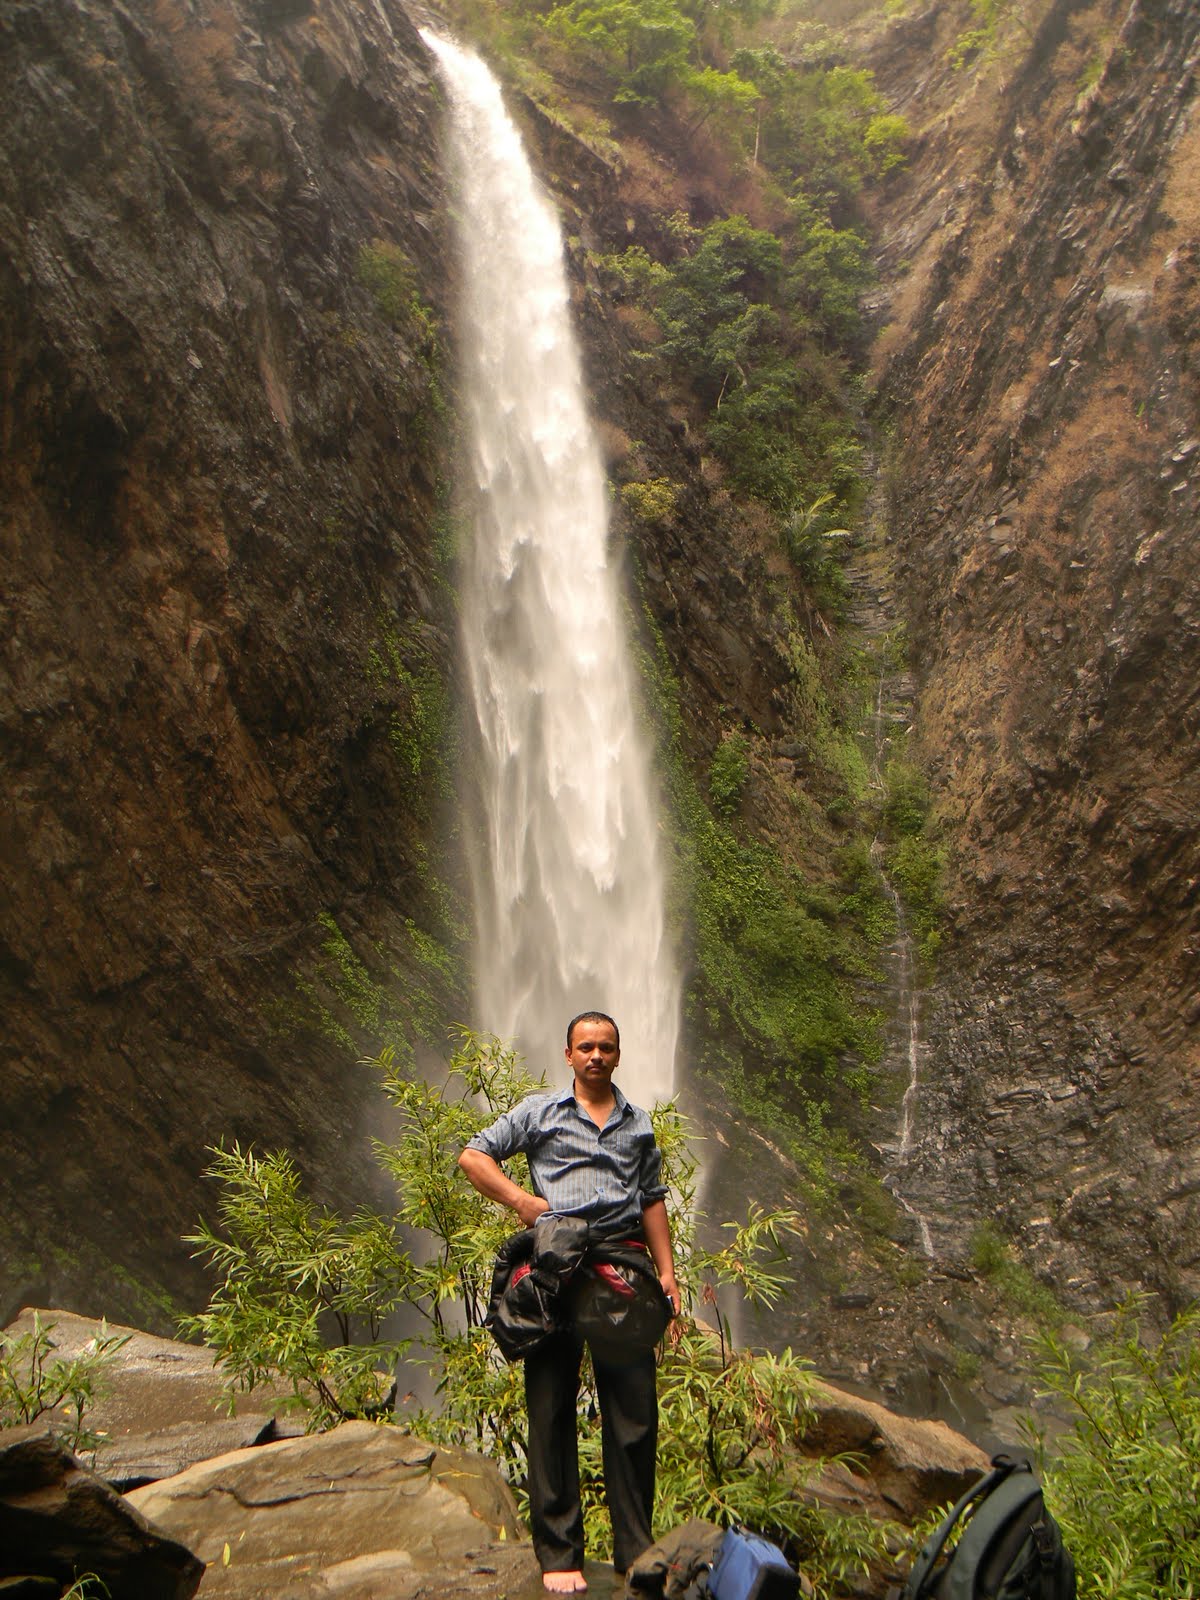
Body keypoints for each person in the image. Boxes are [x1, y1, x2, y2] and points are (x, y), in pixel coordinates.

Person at [459, 1010, 680, 1596]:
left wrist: (668, 1272)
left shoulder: (639, 1126)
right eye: (586, 1046)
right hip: (556, 1272)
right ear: (568, 1055)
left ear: (618, 1054)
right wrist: (523, 1204)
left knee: (633, 1418)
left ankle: (637, 1550)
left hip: (622, 1274)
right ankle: (559, 1555)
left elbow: (653, 1199)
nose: (596, 1055)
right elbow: (473, 1156)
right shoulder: (539, 1112)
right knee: (551, 1410)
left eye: (606, 1046)